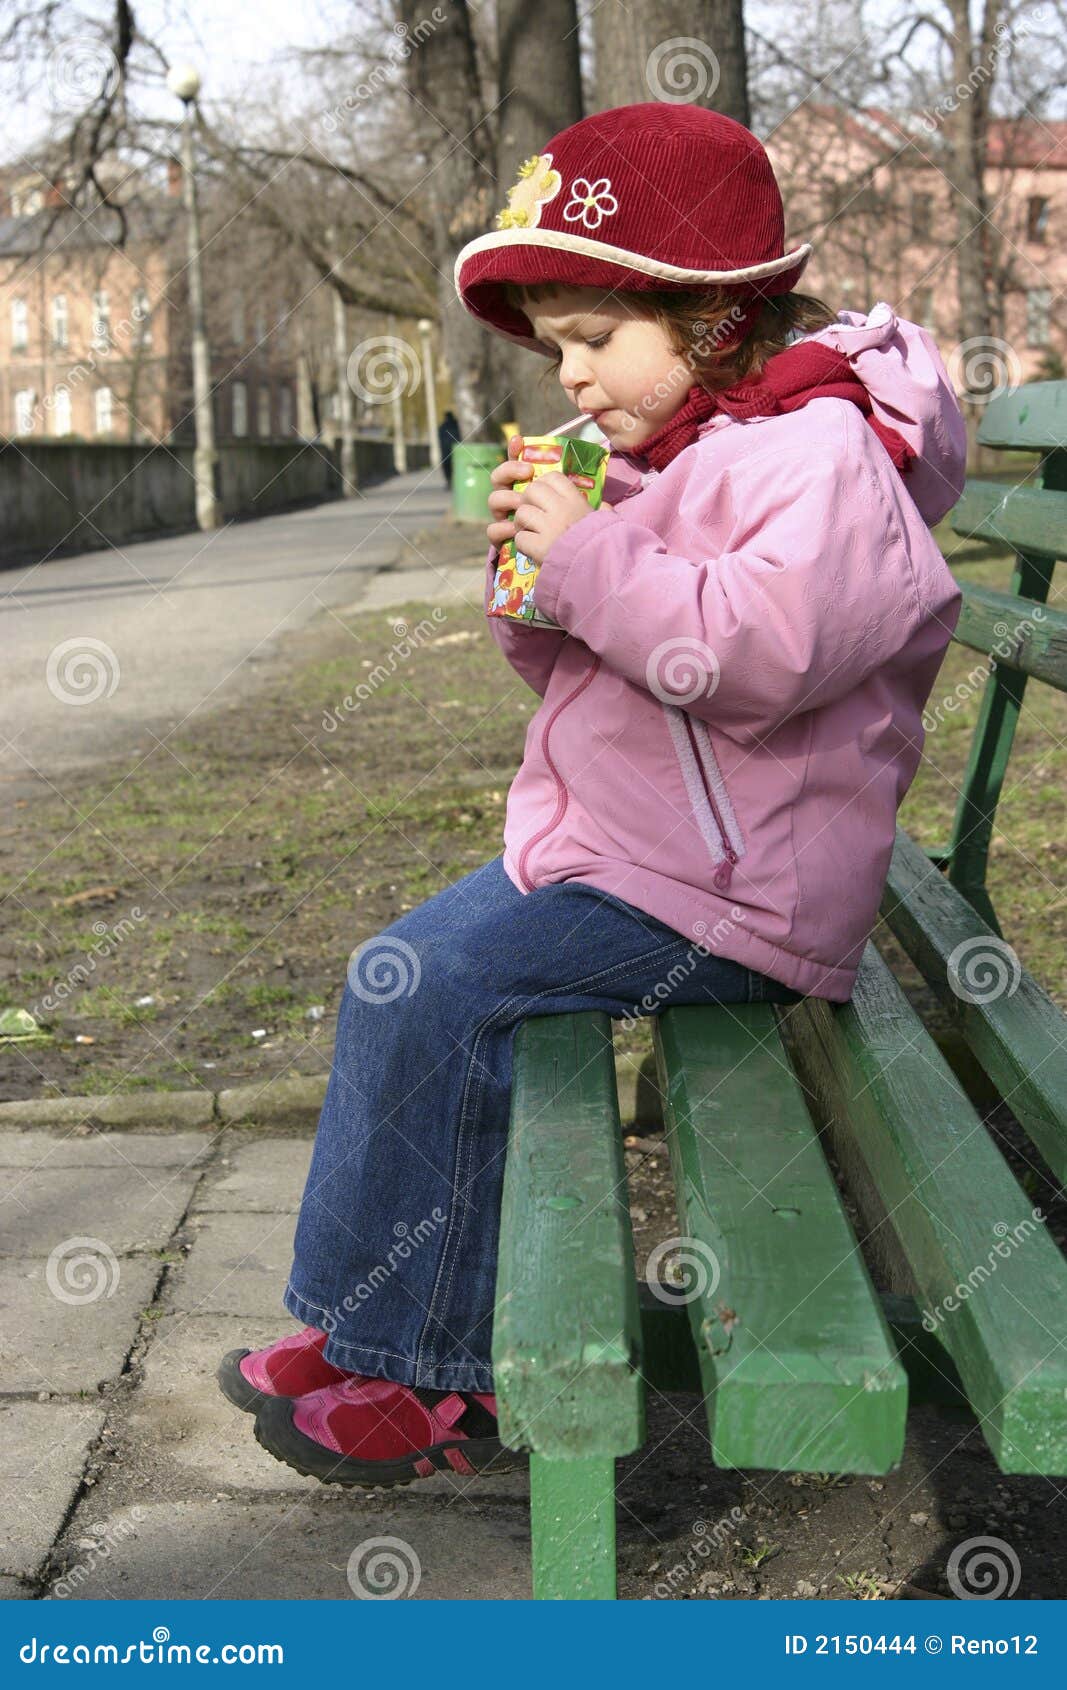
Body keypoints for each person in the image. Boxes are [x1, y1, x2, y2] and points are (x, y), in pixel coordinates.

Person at [217, 103, 966, 1488]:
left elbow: (761, 653)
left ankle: (434, 1379)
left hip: (739, 888)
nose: (568, 376)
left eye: (590, 338)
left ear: (708, 315)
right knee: (398, 969)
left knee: (438, 984)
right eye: (554, 345)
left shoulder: (820, 459)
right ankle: (365, 1323)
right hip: (637, 852)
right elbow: (608, 671)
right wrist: (536, 585)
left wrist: (593, 565)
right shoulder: (677, 453)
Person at [437, 408, 461, 486]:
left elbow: (440, 439)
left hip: (446, 450)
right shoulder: (457, 425)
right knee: (456, 466)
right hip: (456, 449)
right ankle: (455, 481)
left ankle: (449, 481)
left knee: (447, 467)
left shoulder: (442, 427)